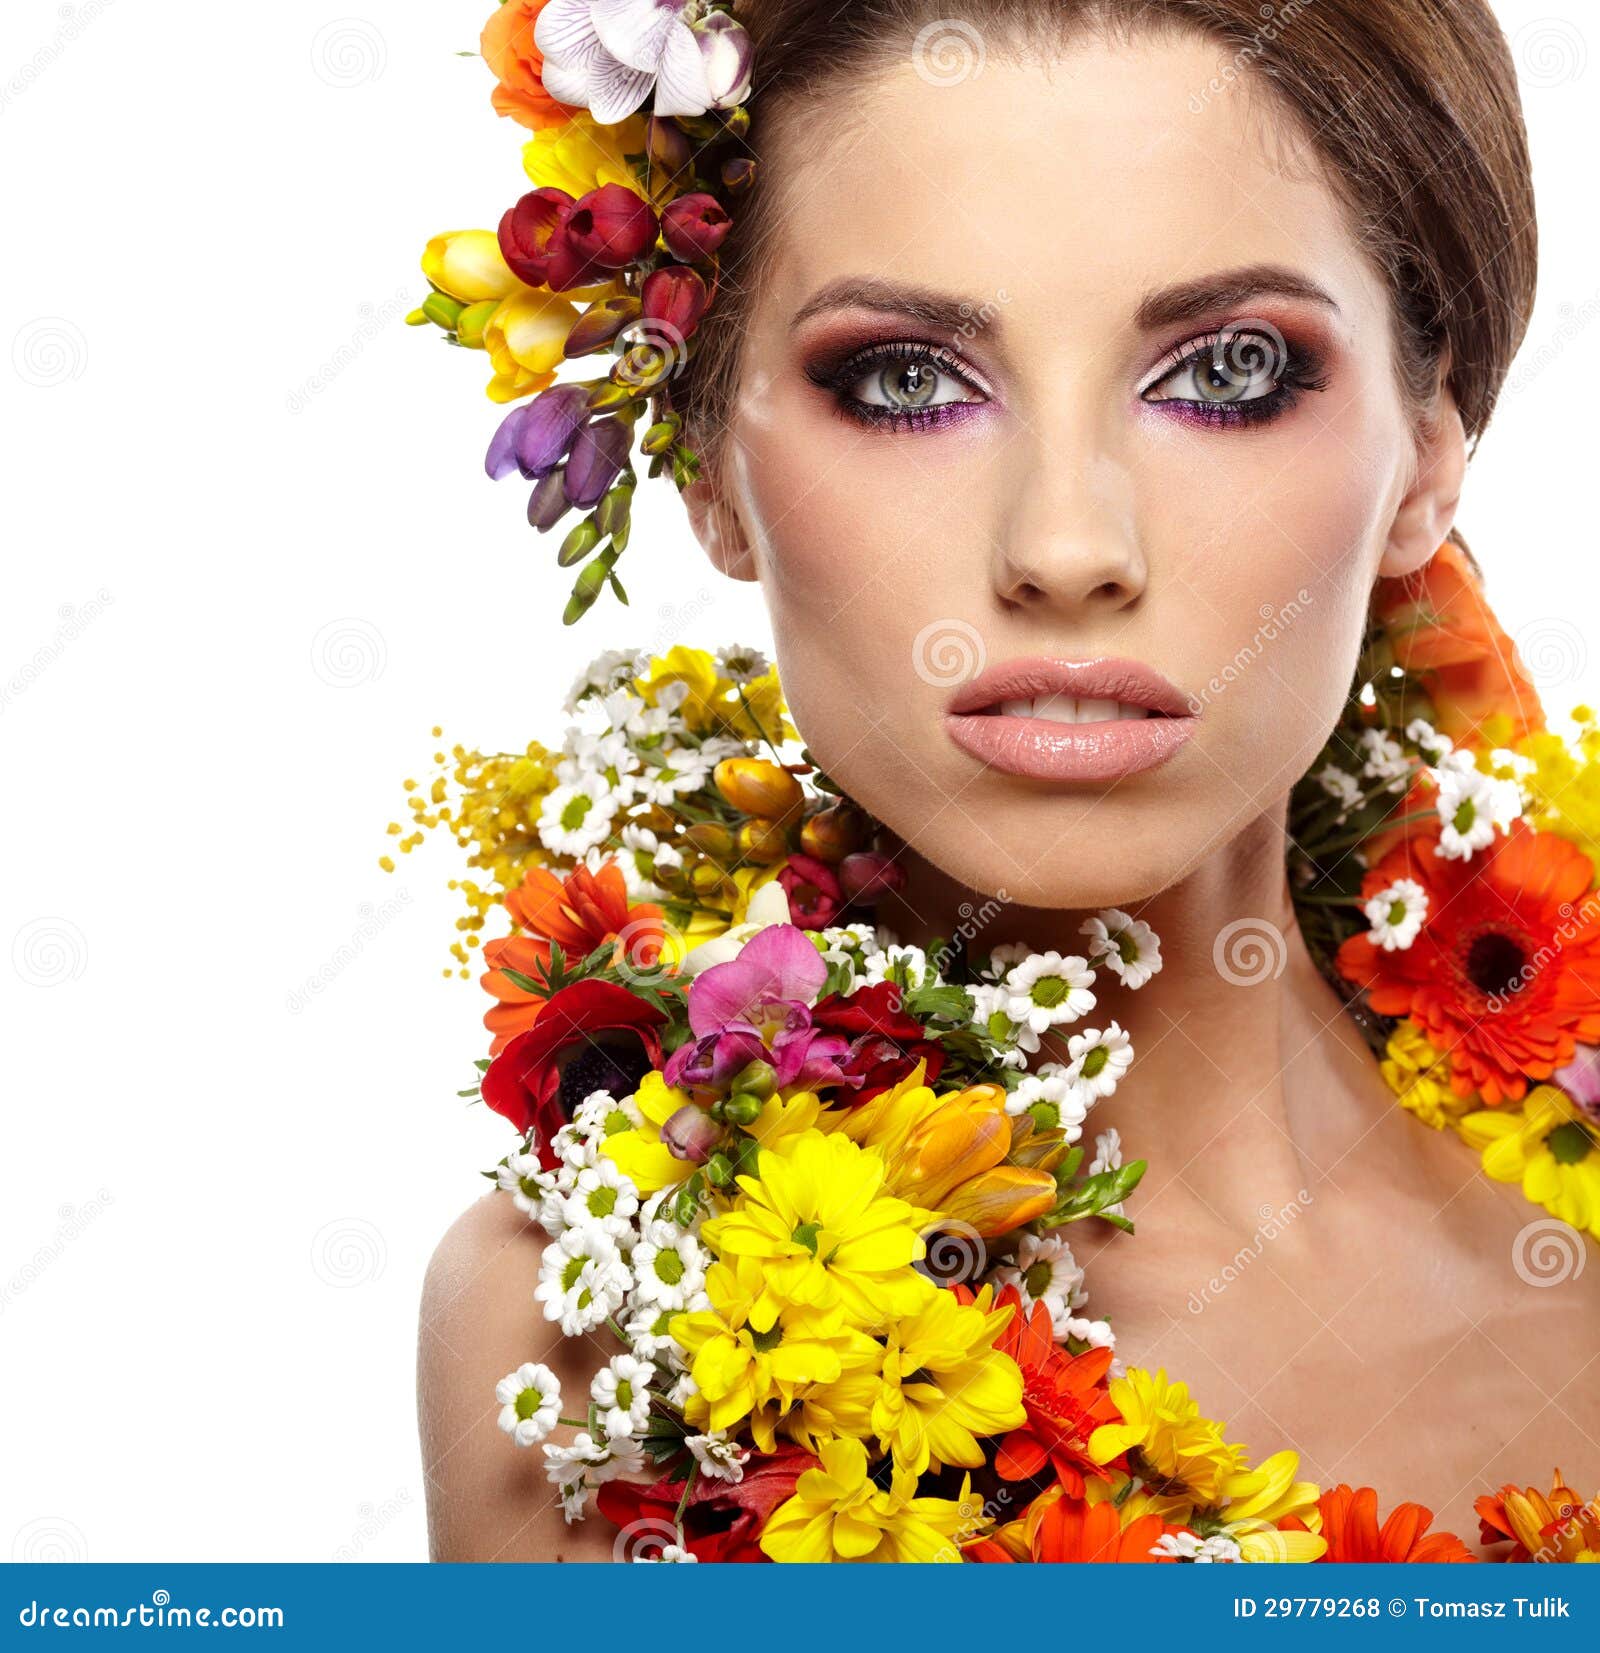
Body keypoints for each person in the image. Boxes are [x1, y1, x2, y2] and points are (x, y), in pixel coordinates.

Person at [420, 0, 1600, 1560]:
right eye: (905, 380)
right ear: (708, 462)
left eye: (1228, 371)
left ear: (1429, 451)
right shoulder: (588, 1326)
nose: (1064, 549)